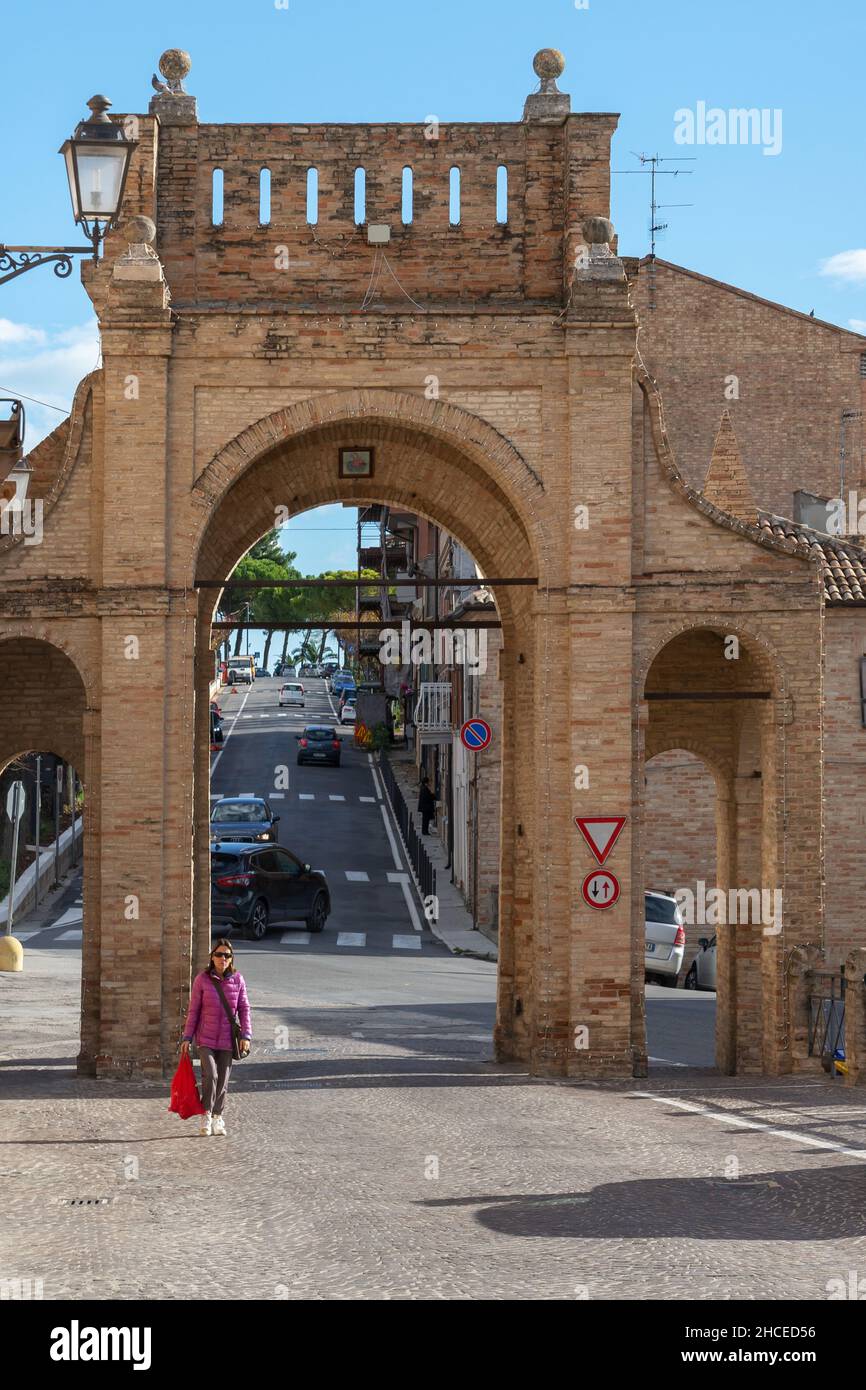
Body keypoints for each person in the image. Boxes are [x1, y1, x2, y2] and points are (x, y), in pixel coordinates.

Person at [180, 939, 251, 1136]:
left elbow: (244, 1009)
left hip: (228, 1040)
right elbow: (194, 1010)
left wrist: (246, 1035)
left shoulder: (238, 980)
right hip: (206, 1038)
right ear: (212, 957)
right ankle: (206, 1113)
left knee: (223, 1079)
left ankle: (218, 1117)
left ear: (231, 959)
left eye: (227, 955)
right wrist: (187, 1037)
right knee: (211, 1074)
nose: (223, 958)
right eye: (219, 954)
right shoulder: (202, 980)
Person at [418, 770, 436, 836]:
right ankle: (425, 831)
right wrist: (433, 796)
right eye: (428, 782)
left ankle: (424, 831)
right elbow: (428, 797)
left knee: (425, 820)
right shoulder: (425, 789)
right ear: (426, 782)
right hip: (426, 808)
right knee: (426, 820)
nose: (429, 783)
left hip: (424, 807)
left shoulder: (423, 788)